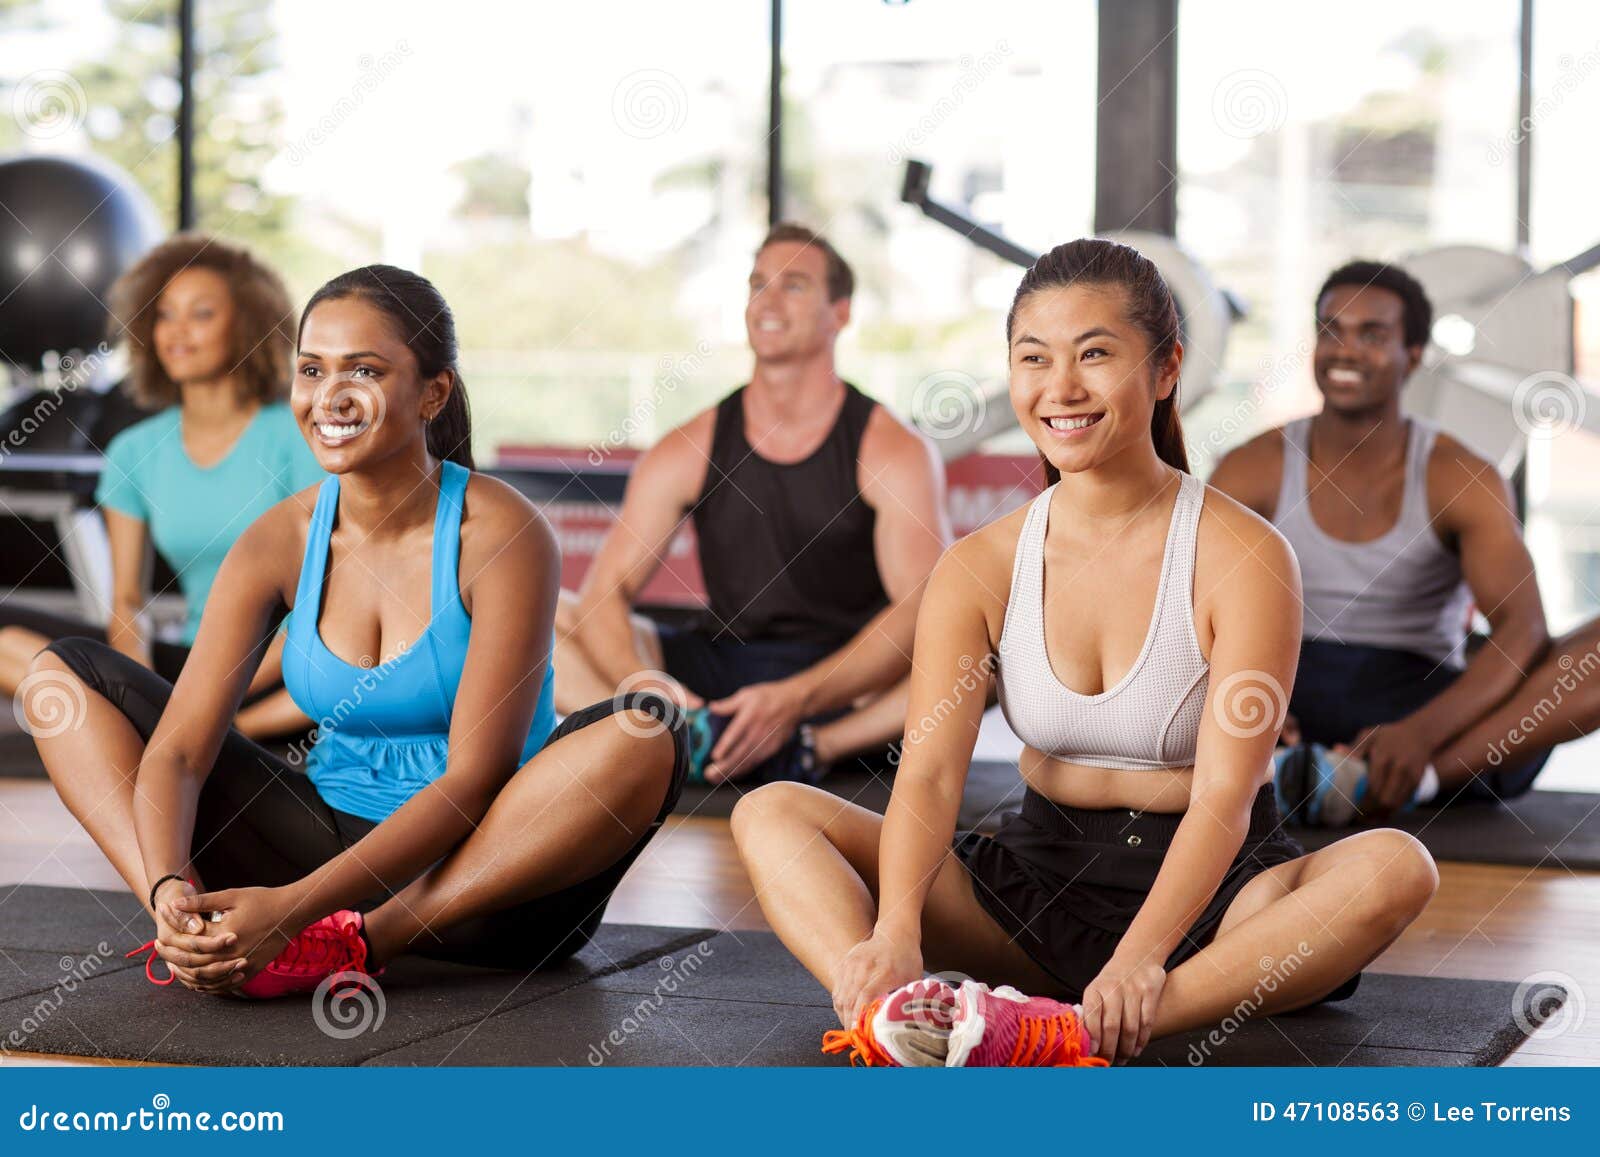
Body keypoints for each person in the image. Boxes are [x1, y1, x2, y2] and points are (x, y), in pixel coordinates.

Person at [731, 239, 1438, 1067]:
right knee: (770, 810)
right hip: (1034, 879)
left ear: (1167, 367)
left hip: (1213, 898)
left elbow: (1226, 790)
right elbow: (926, 775)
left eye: (1095, 355)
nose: (1060, 388)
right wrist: (894, 930)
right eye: (1035, 359)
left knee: (1399, 864)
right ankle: (893, 1017)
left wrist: (1140, 957)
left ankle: (1065, 1031)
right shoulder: (979, 565)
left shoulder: (1243, 554)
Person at [21, 265, 687, 997]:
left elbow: (474, 780)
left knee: (648, 730)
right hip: (325, 842)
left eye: (364, 370)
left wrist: (295, 911)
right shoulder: (278, 539)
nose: (329, 395)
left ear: (433, 391)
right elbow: (180, 749)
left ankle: (361, 942)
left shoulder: (500, 531)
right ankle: (191, 934)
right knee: (62, 675)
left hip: (489, 883)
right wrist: (167, 886)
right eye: (312, 369)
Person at [556, 223, 950, 784]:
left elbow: (920, 607)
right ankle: (666, 739)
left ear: (840, 313)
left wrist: (796, 700)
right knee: (550, 617)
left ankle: (812, 749)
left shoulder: (892, 448)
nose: (767, 301)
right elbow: (604, 594)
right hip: (717, 674)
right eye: (757, 283)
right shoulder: (689, 446)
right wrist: (651, 687)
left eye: (793, 286)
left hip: (844, 683)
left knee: (985, 650)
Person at [1209, 260, 1594, 826]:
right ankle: (1297, 769)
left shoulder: (1457, 474)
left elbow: (1522, 628)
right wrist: (1248, 695)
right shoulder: (1252, 467)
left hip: (1416, 699)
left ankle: (1408, 776)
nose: (1345, 350)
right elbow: (1191, 608)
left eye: (1373, 335)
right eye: (1331, 329)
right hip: (1286, 686)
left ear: (1413, 355)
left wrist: (1420, 734)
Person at [0, 234, 324, 739]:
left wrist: (207, 701)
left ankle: (169, 735)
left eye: (201, 314)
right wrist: (140, 682)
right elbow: (126, 603)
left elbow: (318, 608)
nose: (176, 332)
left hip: (278, 668)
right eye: (165, 314)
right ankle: (149, 728)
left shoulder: (297, 438)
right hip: (185, 661)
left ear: (248, 325)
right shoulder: (135, 449)